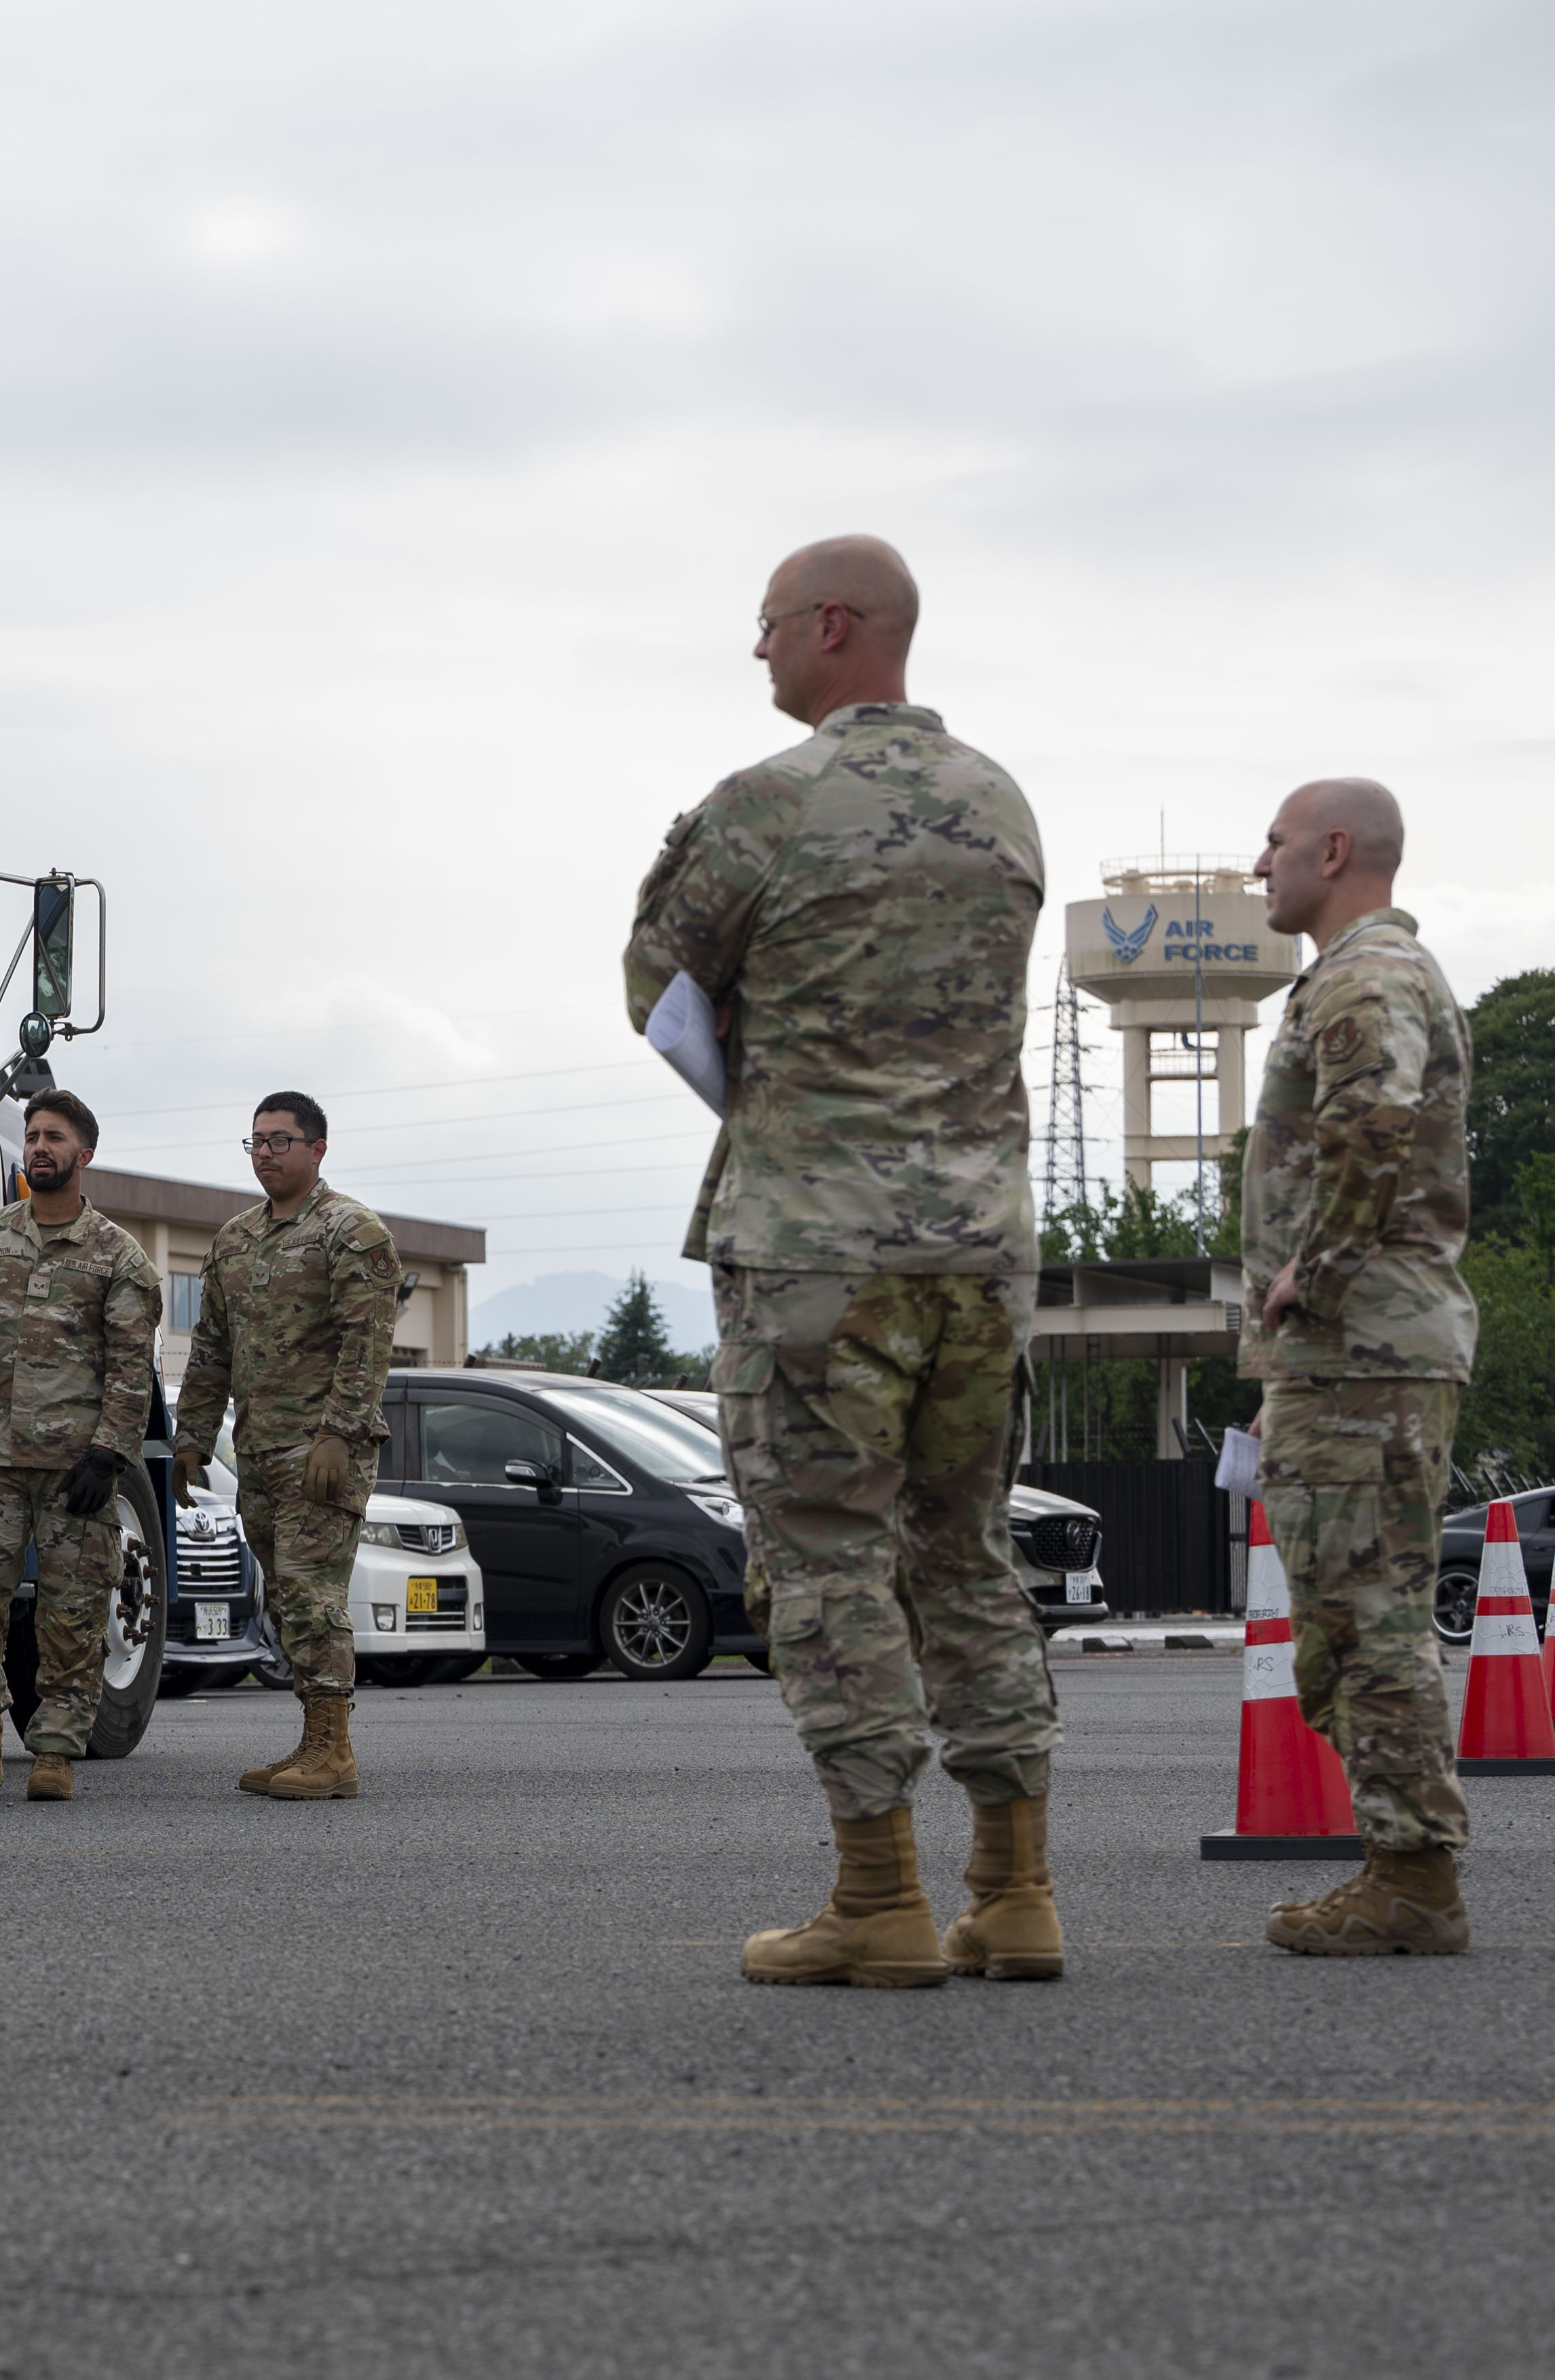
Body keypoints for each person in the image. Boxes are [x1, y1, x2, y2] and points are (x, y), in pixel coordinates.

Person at [624, 533, 1053, 1988]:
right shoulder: (1000, 802)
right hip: (981, 1249)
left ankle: (875, 1899)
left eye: (761, 626)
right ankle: (1015, 1889)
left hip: (817, 1252)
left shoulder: (769, 802)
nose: (752, 651)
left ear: (828, 624)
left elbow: (657, 981)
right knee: (964, 1550)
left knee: (825, 1566)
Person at [1243, 777, 1479, 1955]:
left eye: (1277, 841)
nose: (1260, 862)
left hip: (1364, 1351)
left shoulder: (1366, 976)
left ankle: (1412, 1880)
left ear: (1334, 852)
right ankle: (1402, 1866)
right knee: (1350, 1610)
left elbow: (1373, 1123)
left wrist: (1317, 1270)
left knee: (1365, 1613)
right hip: (1365, 1351)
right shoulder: (1360, 974)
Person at [0, 1088, 161, 1800]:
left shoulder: (119, 1256)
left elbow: (129, 1365)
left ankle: (54, 1746)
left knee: (73, 1611)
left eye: (54, 1137)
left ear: (84, 1153)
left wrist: (109, 1453)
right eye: (31, 1136)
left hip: (74, 1467)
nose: (39, 1147)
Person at [172, 1092, 397, 1800]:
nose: (266, 1152)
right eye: (256, 1141)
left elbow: (368, 1344)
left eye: (280, 1140)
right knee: (284, 1600)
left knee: (312, 1593)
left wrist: (340, 1431)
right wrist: (191, 1439)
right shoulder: (235, 1238)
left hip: (322, 1451)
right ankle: (313, 1738)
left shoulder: (349, 1231)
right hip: (261, 1453)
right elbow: (210, 1348)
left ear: (317, 1149)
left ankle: (335, 1751)